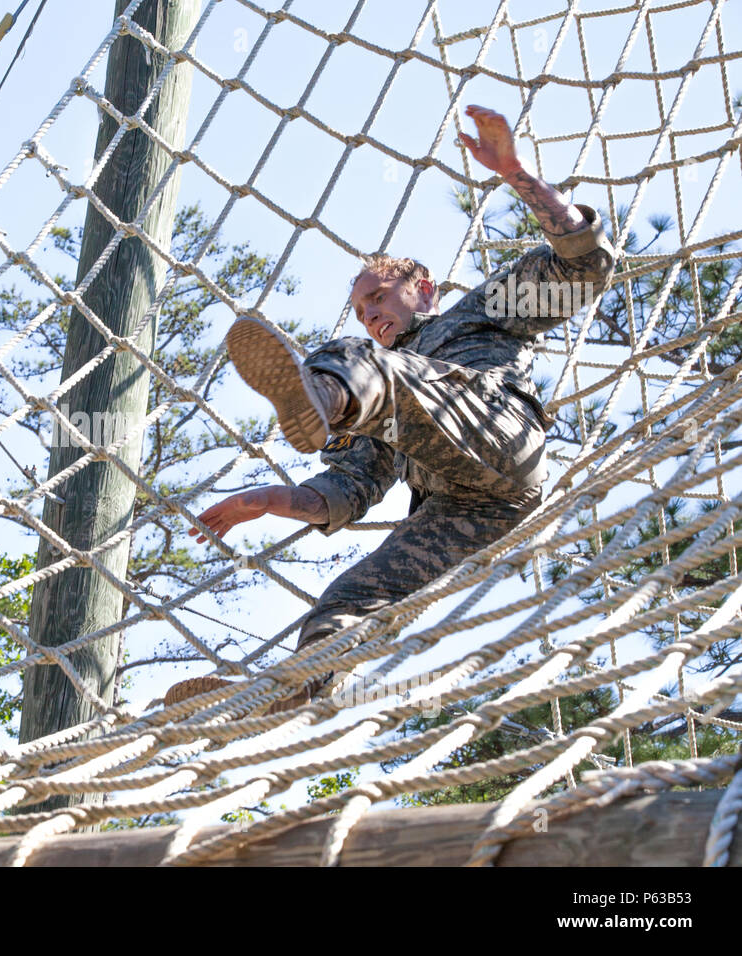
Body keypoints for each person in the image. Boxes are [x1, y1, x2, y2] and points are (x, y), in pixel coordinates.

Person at [167, 105, 617, 713]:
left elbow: (582, 266)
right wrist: (269, 501)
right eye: (360, 310)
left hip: (502, 438)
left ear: (422, 288)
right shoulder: (379, 393)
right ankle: (296, 689)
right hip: (469, 507)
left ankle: (321, 393)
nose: (371, 314)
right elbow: (350, 490)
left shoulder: (478, 310)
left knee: (369, 367)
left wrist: (515, 173)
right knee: (352, 596)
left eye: (379, 296)